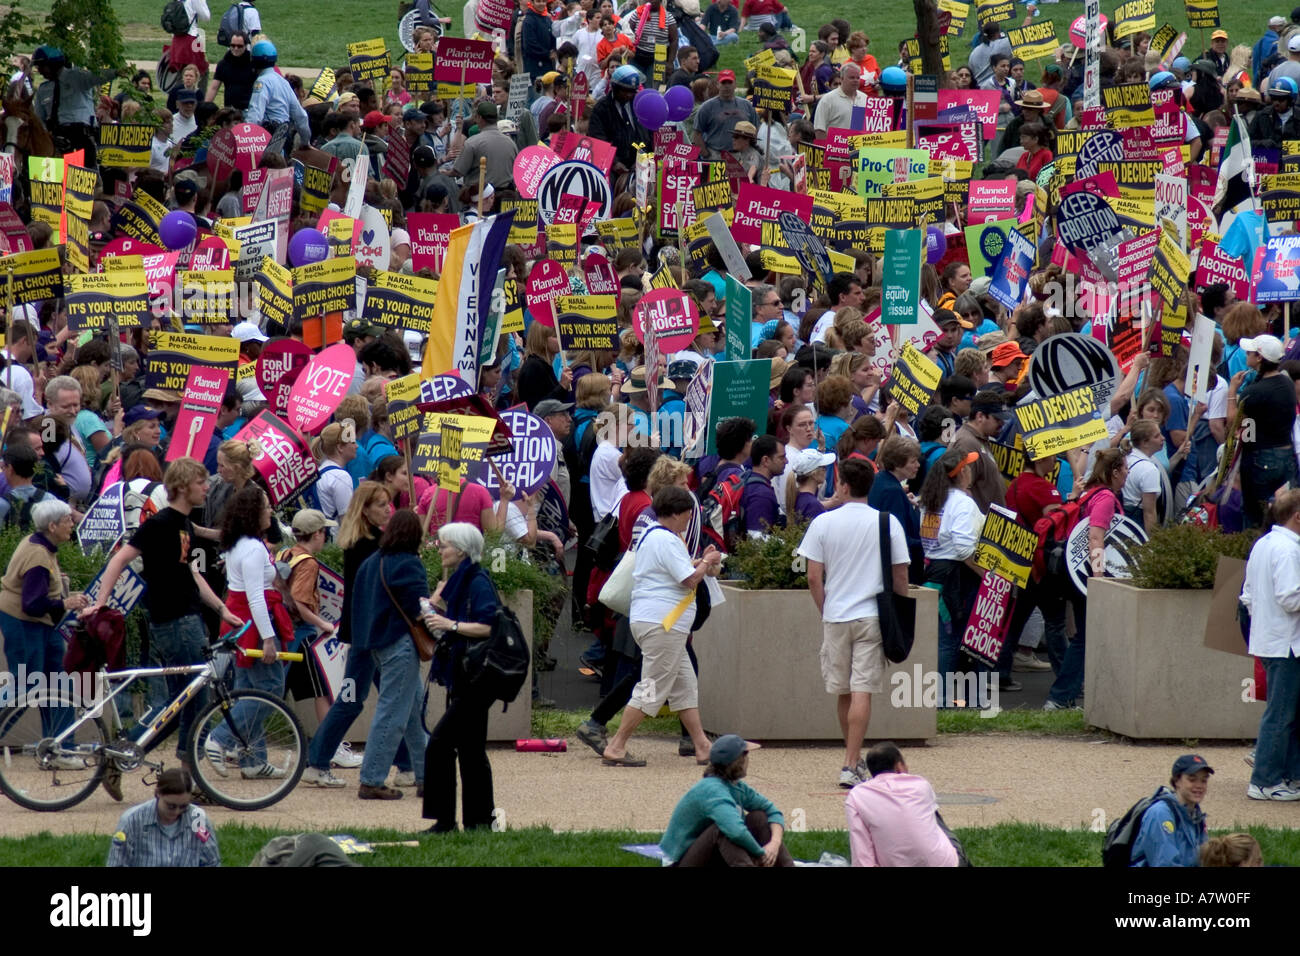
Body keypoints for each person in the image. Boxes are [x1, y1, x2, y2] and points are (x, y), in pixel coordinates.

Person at [87, 458, 242, 772]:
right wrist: (101, 602)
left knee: (180, 704)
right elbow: (119, 560)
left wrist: (222, 608)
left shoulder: (183, 523)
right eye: (201, 482)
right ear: (183, 486)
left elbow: (193, 576)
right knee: (192, 701)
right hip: (176, 620)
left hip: (184, 617)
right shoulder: (161, 523)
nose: (208, 487)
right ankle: (184, 772)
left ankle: (128, 757)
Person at [797, 457, 909, 788]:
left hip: (836, 614)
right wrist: (899, 610)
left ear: (844, 485)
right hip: (873, 615)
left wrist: (825, 609)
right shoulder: (888, 523)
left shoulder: (823, 523)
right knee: (863, 689)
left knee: (843, 691)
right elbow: (900, 572)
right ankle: (851, 762)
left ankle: (852, 759)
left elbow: (814, 577)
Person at [600, 486, 722, 766]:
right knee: (651, 688)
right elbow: (689, 579)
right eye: (688, 516)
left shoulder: (655, 536)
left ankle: (702, 745)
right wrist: (707, 561)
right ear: (676, 514)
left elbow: (678, 570)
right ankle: (617, 745)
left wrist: (700, 563)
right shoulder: (666, 539)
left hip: (657, 622)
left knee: (685, 686)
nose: (689, 521)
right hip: (663, 624)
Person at [206, 486, 294, 778]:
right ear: (253, 513)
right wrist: (269, 638)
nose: (270, 511)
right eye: (266, 507)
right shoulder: (254, 549)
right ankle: (221, 739)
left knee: (248, 688)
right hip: (254, 624)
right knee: (268, 688)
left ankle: (253, 759)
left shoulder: (239, 544)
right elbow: (256, 597)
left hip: (241, 623)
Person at [422, 522, 499, 829]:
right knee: (470, 749)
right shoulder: (462, 579)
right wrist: (437, 605)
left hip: (474, 678)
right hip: (466, 675)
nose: (440, 548)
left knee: (440, 744)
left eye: (445, 544)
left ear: (463, 549)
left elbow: (489, 625)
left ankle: (445, 822)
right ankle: (478, 822)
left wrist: (450, 625)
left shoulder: (477, 581)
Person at [350, 509, 430, 801]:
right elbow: (421, 609)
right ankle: (371, 779)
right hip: (400, 643)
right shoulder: (409, 564)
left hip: (375, 645)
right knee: (395, 713)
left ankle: (427, 776)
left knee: (412, 712)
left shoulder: (370, 563)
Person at [1044, 449, 1128, 711]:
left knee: (1085, 635)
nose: (1127, 474)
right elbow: (1095, 538)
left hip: (1075, 574)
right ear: (1115, 472)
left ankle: (1065, 697)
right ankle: (1059, 697)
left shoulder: (1089, 493)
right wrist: (1099, 577)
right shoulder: (1104, 498)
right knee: (1085, 638)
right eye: (1125, 469)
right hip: (1088, 577)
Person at [0, 499, 88, 739]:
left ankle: (61, 745)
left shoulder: (37, 543)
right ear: (52, 526)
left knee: (58, 684)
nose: (72, 524)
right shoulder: (38, 556)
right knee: (26, 685)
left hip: (42, 625)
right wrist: (64, 603)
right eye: (67, 520)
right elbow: (32, 604)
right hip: (24, 622)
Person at [1240, 488, 1300, 800]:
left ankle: (1290, 776)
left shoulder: (1263, 544)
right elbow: (1290, 598)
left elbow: (1248, 596)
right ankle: (1264, 780)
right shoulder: (1289, 550)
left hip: (1271, 641)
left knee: (1288, 712)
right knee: (1281, 714)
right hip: (1287, 645)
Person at [660, 735, 793, 866]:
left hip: (711, 854)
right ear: (739, 762)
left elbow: (773, 812)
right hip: (680, 861)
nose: (748, 760)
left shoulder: (736, 786)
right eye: (746, 755)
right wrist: (760, 853)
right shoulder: (712, 790)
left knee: (759, 817)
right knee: (722, 830)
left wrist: (774, 844)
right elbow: (736, 832)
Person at [919, 449, 984, 704]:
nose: (971, 470)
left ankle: (941, 700)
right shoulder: (962, 504)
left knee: (945, 641)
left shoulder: (931, 499)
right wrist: (990, 576)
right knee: (953, 642)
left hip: (933, 571)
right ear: (962, 473)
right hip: (957, 578)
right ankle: (943, 701)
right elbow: (965, 549)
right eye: (968, 466)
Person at [845, 742, 960, 867]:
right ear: (899, 766)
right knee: (934, 816)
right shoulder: (920, 784)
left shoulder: (857, 795)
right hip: (943, 863)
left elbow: (861, 847)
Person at [1230, 334, 1297, 527]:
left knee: (1255, 517)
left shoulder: (1254, 392)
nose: (1246, 355)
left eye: (1250, 352)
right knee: (1285, 514)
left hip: (1261, 459)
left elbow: (1233, 422)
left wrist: (1232, 391)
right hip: (1285, 455)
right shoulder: (1287, 384)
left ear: (1259, 358)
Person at [106, 768, 221, 867]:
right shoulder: (132, 820)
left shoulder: (198, 819)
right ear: (157, 794)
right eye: (171, 806)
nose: (177, 812)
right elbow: (117, 863)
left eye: (183, 806)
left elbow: (212, 862)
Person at [1129, 755, 1212, 867]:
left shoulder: (1195, 814)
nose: (1199, 786)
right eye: (1192, 780)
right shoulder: (1160, 814)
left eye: (1204, 780)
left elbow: (1206, 858)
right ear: (1177, 781)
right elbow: (1164, 863)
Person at [948, 391, 1009, 511]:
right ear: (980, 416)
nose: (1002, 423)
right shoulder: (967, 443)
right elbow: (962, 490)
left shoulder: (980, 439)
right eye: (997, 419)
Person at [244, 41, 311, 149]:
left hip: (268, 138)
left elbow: (255, 115)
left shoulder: (262, 82)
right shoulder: (283, 82)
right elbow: (301, 116)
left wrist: (246, 139)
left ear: (254, 61)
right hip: (284, 138)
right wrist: (305, 142)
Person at [693, 69, 759, 157]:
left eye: (730, 82)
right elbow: (697, 133)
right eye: (723, 83)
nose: (727, 86)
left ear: (735, 84)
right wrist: (706, 155)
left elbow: (755, 129)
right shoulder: (707, 107)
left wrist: (751, 150)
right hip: (716, 155)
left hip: (742, 157)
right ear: (717, 85)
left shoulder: (747, 105)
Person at [518, 322, 574, 410]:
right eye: (555, 336)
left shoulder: (543, 364)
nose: (560, 339)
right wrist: (562, 386)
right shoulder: (534, 367)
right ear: (542, 340)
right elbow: (538, 407)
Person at [740, 434, 786, 534]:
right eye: (782, 457)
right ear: (766, 460)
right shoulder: (761, 495)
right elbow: (757, 540)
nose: (786, 461)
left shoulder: (746, 478)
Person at [814, 62, 867, 138]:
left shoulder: (865, 98)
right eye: (852, 77)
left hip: (859, 148)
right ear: (842, 79)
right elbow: (819, 130)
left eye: (858, 78)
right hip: (835, 148)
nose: (855, 80)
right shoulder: (827, 99)